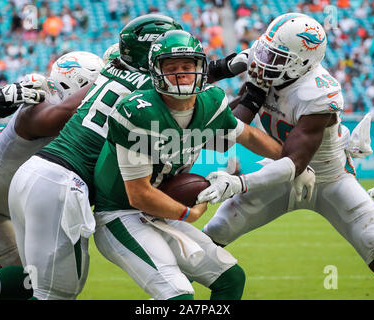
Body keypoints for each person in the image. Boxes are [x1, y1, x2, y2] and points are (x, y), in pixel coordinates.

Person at [198, 13, 374, 300]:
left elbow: (295, 163)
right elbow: (220, 122)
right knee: (207, 240)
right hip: (278, 173)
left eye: (276, 56)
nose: (265, 60)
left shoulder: (318, 94)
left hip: (330, 179)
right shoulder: (268, 58)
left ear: (302, 62)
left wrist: (239, 183)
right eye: (265, 50)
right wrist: (242, 85)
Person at [90, 29, 285, 301]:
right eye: (172, 67)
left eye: (187, 66)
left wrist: (293, 160)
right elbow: (139, 194)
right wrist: (188, 213)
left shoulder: (212, 102)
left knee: (231, 279)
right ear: (156, 72)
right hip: (121, 213)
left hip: (162, 209)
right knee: (178, 295)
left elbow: (248, 135)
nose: (181, 73)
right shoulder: (137, 112)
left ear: (200, 68)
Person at [7, 14, 185, 301]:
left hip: (33, 174)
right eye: (173, 53)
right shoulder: (151, 92)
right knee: (55, 294)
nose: (177, 60)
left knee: (36, 286)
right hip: (63, 183)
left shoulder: (110, 72)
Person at [0, 51, 104, 300]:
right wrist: (110, 80)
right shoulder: (40, 103)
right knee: (30, 281)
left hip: (6, 209)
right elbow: (62, 113)